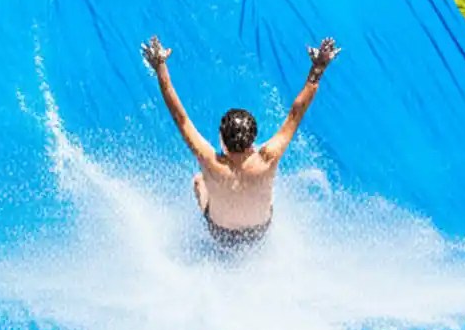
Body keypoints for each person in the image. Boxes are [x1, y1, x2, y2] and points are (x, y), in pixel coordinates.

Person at [141, 35, 341, 249]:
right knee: (268, 186)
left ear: (222, 140)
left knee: (199, 180)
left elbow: (180, 118)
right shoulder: (268, 158)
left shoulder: (209, 160)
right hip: (259, 231)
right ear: (252, 139)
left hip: (220, 234)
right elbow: (295, 113)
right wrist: (318, 68)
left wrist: (160, 67)